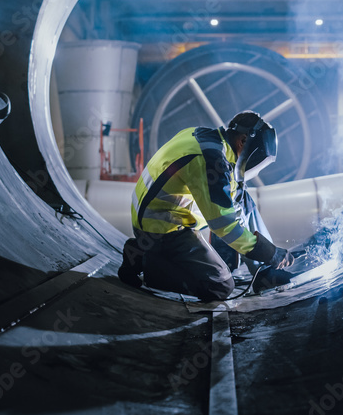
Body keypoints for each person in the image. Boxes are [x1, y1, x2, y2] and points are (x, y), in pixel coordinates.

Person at [117, 110, 297, 301]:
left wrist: (264, 257)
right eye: (257, 157)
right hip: (161, 229)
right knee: (220, 286)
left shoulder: (208, 139)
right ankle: (143, 261)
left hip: (158, 215)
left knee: (242, 199)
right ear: (243, 141)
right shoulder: (211, 160)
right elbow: (224, 225)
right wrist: (269, 253)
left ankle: (264, 273)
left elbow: (235, 199)